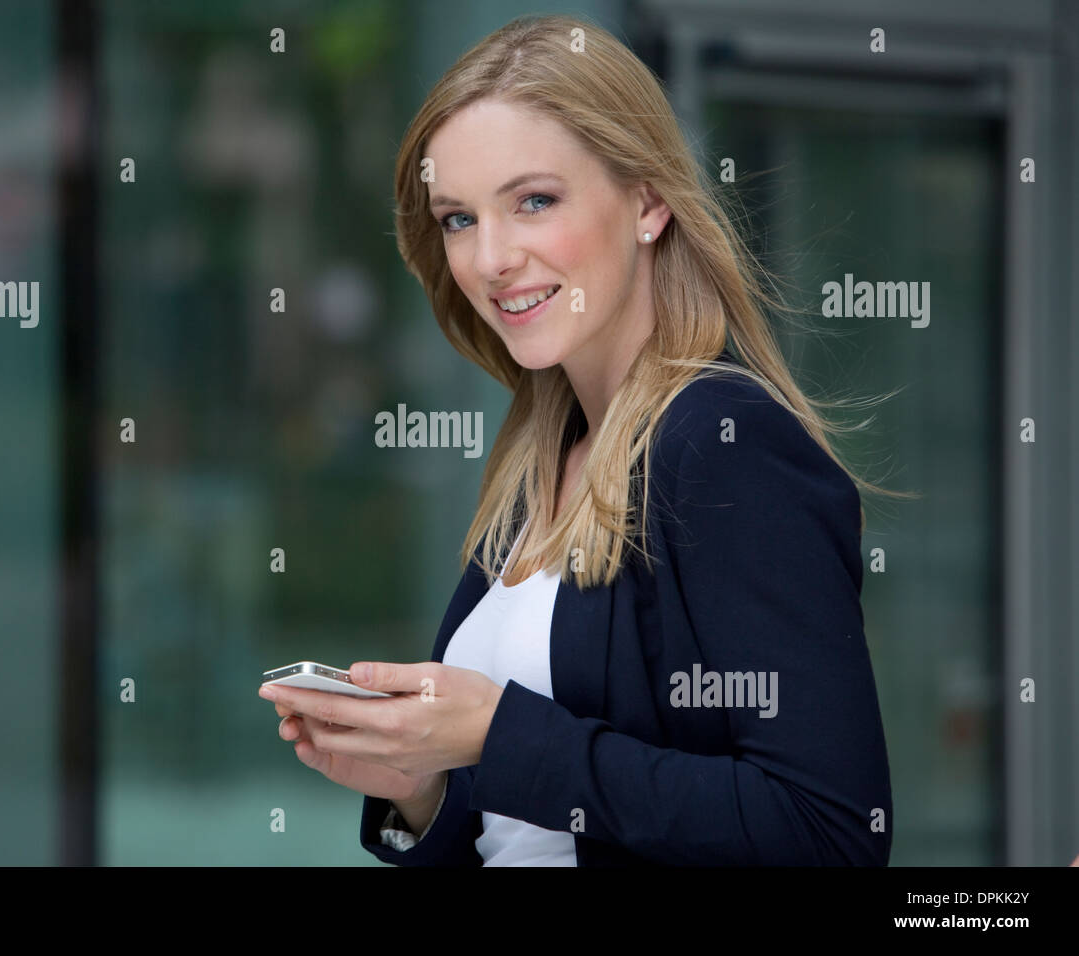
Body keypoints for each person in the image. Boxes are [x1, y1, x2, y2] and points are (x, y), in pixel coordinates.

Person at [258, 13, 902, 865]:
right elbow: (524, 836)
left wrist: (498, 734)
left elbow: (831, 832)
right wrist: (419, 783)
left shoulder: (721, 445)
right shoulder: (538, 466)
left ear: (648, 200)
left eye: (534, 201)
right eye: (458, 219)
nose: (491, 259)